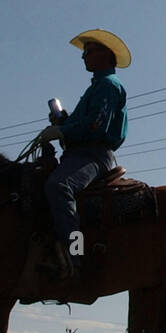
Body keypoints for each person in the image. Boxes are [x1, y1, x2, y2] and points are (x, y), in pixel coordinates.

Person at [39, 29, 130, 281]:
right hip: (80, 154)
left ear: (106, 55)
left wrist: (61, 130)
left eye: (88, 52)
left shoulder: (108, 86)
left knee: (59, 186)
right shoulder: (98, 87)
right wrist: (63, 123)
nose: (84, 57)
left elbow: (96, 126)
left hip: (94, 155)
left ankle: (73, 257)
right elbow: (87, 123)